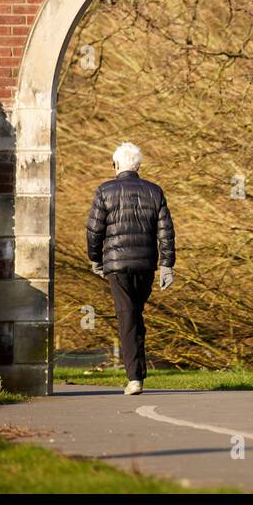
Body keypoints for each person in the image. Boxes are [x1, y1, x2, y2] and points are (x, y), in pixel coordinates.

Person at [86, 141, 176, 395]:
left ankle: (134, 377)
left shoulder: (104, 191)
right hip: (146, 264)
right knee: (134, 314)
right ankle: (139, 371)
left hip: (116, 265)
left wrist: (95, 259)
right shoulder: (154, 191)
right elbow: (166, 232)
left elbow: (94, 230)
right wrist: (167, 265)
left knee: (127, 316)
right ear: (138, 166)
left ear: (115, 165)